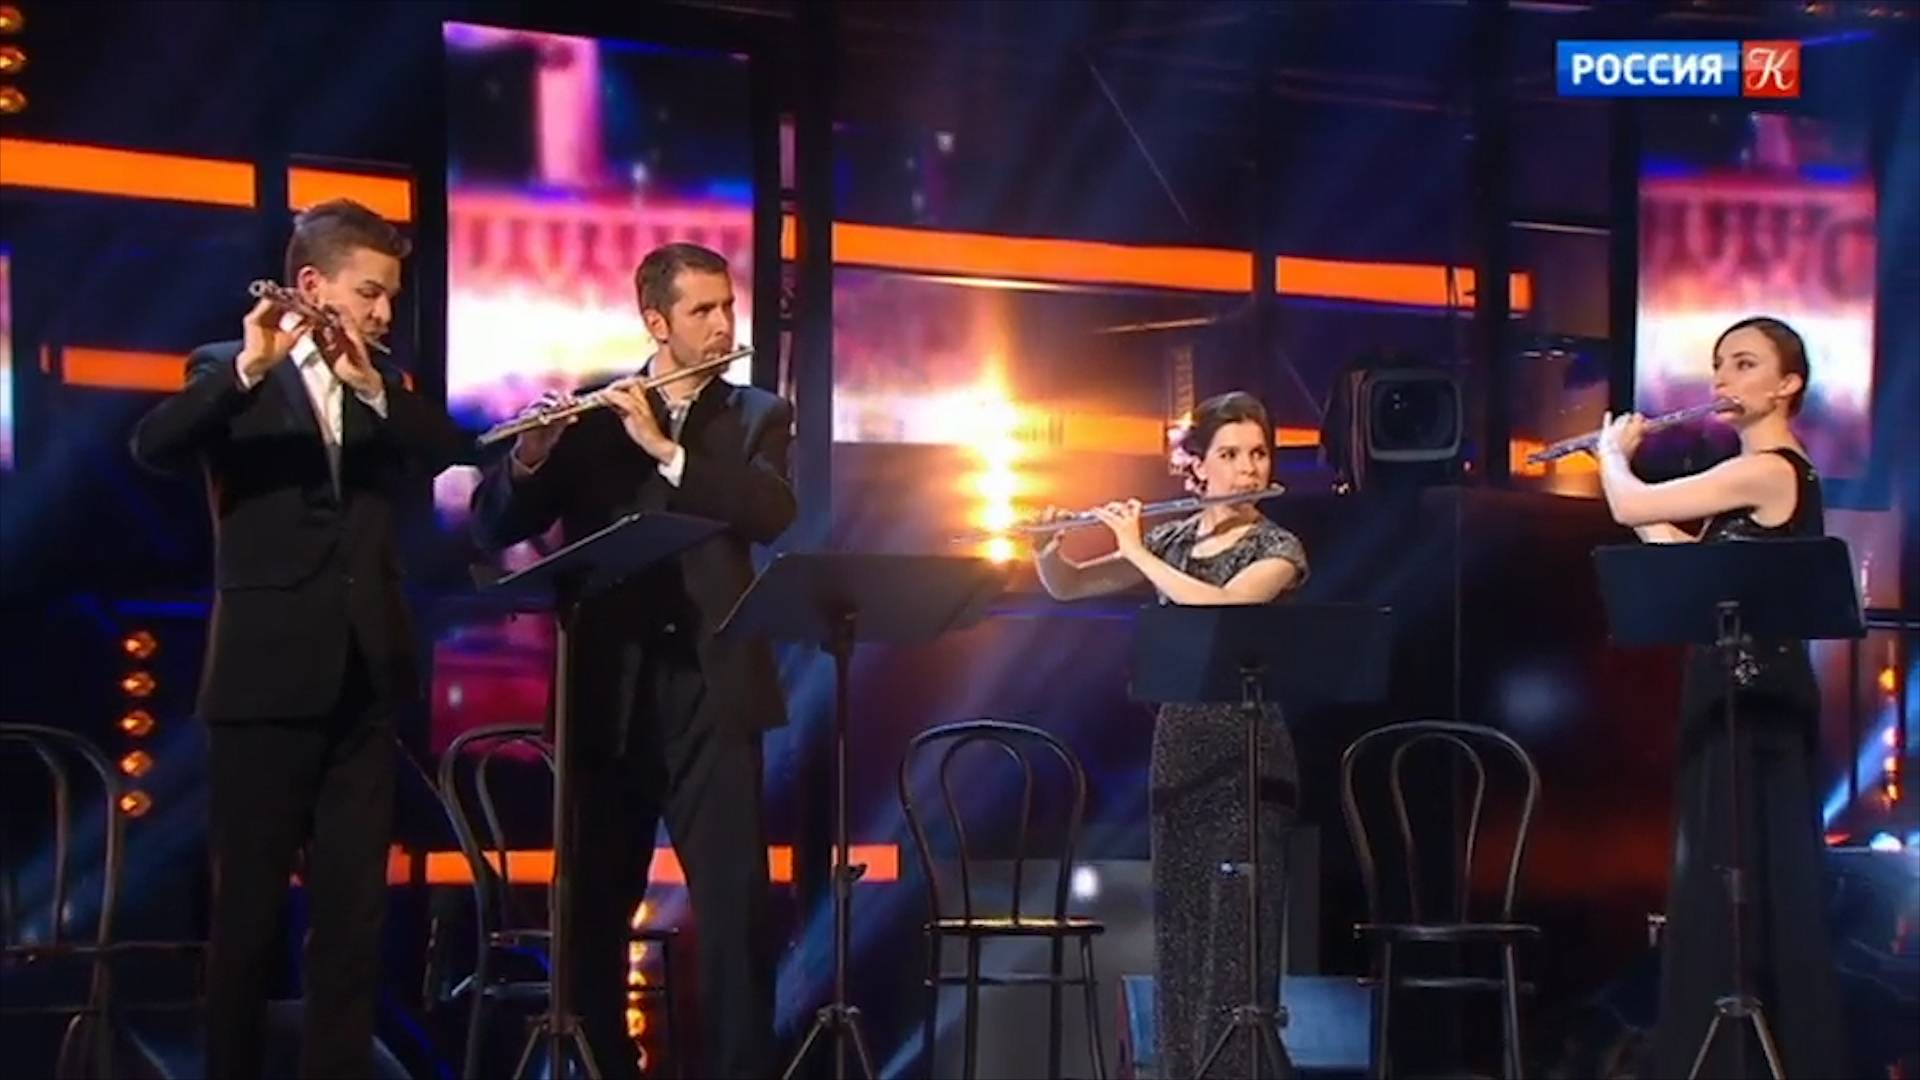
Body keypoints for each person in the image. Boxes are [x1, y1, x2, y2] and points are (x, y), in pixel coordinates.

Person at [129, 199, 464, 1078]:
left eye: (390, 297)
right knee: (247, 912)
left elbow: (449, 447)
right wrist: (251, 366)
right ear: (312, 285)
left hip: (367, 674)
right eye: (369, 292)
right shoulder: (225, 368)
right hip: (264, 678)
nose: (383, 313)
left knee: (354, 916)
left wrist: (371, 390)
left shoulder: (383, 383)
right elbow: (154, 445)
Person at [470, 242, 793, 1078]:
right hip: (608, 690)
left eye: (727, 306)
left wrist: (666, 449)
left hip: (714, 691)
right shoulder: (592, 413)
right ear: (656, 321)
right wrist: (531, 457)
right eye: (702, 311)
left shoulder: (757, 413)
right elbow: (494, 524)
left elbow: (770, 512)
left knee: (734, 912)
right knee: (595, 910)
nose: (722, 324)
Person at [1594, 316, 1847, 1078]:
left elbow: (1630, 507)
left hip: (1757, 700)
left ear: (1787, 384)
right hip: (1727, 696)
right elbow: (1683, 557)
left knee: (1757, 881)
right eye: (1719, 365)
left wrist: (1612, 457)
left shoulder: (1770, 469)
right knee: (1718, 878)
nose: (1723, 381)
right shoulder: (1744, 479)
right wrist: (1636, 497)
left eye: (1744, 364)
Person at [1031, 389, 1308, 1080]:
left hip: (1249, 751)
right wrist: (1047, 548)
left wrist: (1136, 549)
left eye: (1258, 453)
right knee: (1182, 933)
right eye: (1231, 455)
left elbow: (1221, 611)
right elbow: (1068, 586)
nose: (1248, 469)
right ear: (1198, 468)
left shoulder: (1279, 548)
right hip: (1182, 747)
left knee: (1236, 938)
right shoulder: (1176, 539)